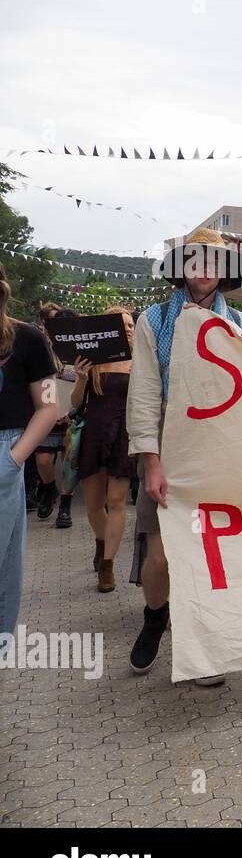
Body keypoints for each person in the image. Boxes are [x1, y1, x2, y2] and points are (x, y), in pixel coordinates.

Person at [126, 228, 242, 685]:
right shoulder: (153, 320)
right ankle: (155, 617)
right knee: (161, 556)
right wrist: (151, 460)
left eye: (213, 261)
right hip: (168, 443)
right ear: (182, 268)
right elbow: (144, 393)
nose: (204, 269)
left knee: (209, 551)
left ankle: (202, 644)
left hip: (218, 446)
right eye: (195, 260)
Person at [0, 266, 60, 638]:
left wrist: (13, 457)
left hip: (5, 450)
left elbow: (49, 405)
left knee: (4, 562)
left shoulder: (29, 339)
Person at [70, 306, 136, 592]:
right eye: (123, 324)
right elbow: (75, 404)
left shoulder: (141, 360)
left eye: (131, 324)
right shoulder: (93, 361)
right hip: (95, 434)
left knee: (117, 500)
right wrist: (82, 377)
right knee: (94, 505)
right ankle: (101, 541)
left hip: (124, 435)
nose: (129, 329)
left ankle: (107, 566)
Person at [31, 307, 77, 527]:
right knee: (43, 459)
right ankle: (49, 488)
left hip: (73, 413)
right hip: (47, 409)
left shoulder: (81, 349)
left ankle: (65, 507)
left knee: (69, 463)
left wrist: (71, 411)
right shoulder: (44, 348)